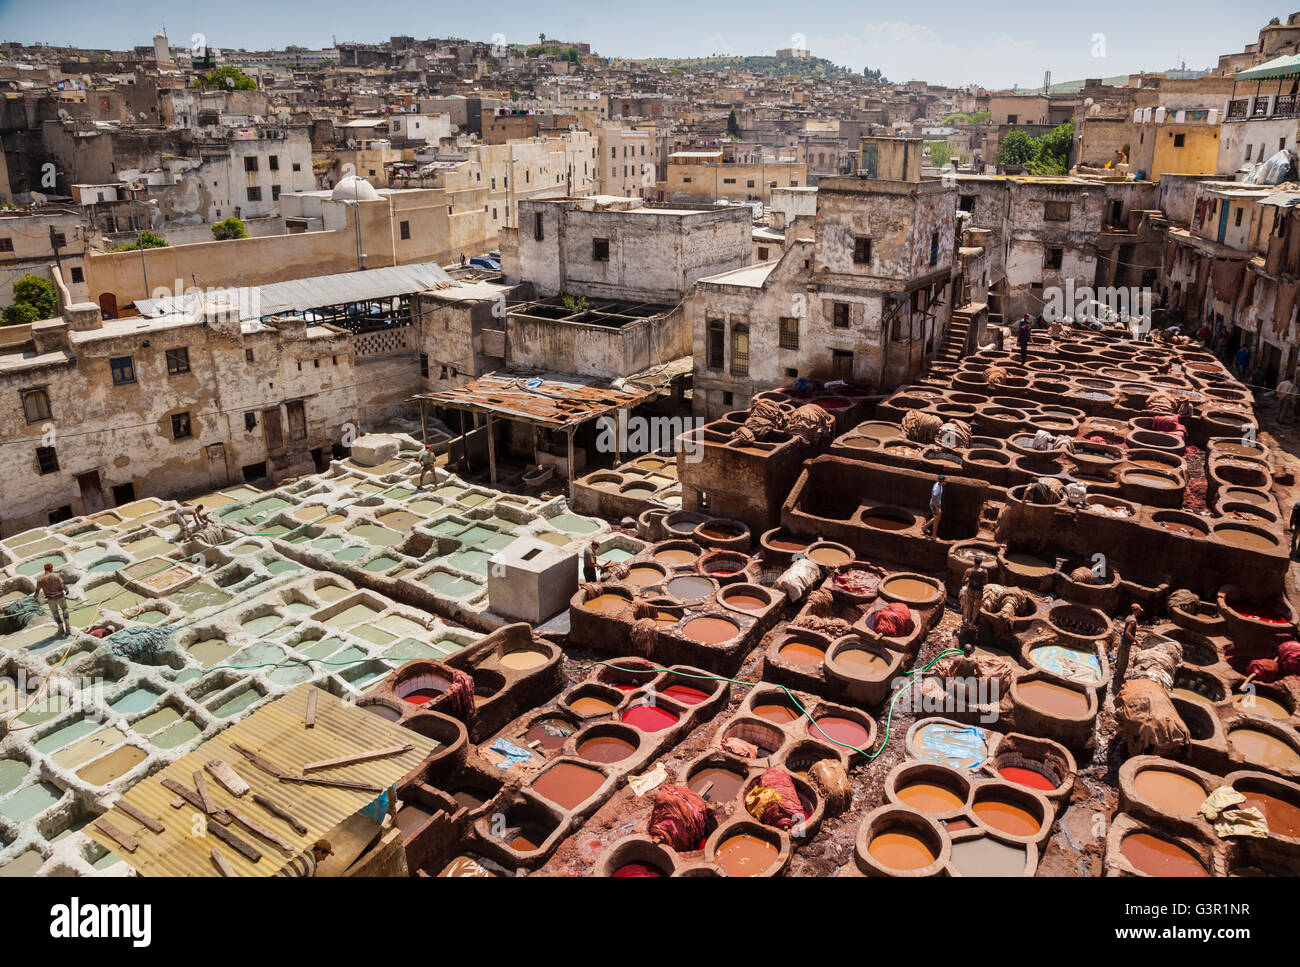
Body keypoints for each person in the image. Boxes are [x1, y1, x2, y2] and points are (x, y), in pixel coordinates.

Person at [958, 551, 990, 648]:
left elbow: (963, 581)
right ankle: (972, 624)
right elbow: (986, 582)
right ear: (981, 563)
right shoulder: (985, 571)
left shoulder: (969, 570)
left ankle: (967, 622)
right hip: (979, 591)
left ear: (974, 562)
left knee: (970, 605)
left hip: (971, 590)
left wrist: (968, 580)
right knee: (977, 607)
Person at [34, 561, 71, 636]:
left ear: (45, 569)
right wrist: (66, 590)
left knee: (55, 613)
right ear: (51, 568)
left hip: (50, 599)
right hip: (60, 596)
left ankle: (61, 628)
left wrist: (35, 598)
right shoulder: (56, 576)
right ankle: (67, 627)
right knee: (65, 609)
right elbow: (62, 584)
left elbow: (37, 591)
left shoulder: (40, 580)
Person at [1114, 603, 1142, 690]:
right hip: (1126, 644)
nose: (1140, 612)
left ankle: (1117, 676)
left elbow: (1131, 629)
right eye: (1139, 611)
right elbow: (1127, 632)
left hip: (1123, 643)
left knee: (1120, 660)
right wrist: (1136, 641)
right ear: (1136, 611)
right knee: (1123, 663)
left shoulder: (1129, 617)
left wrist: (1145, 630)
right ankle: (1118, 681)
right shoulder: (1133, 620)